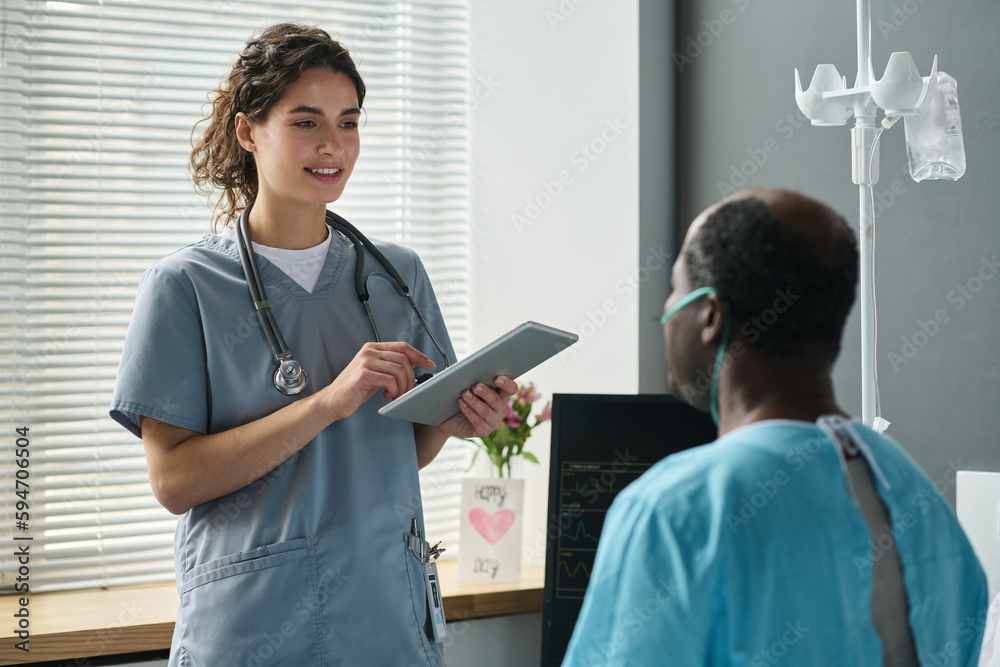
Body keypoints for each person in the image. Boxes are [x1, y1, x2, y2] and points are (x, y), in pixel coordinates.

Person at [110, 24, 515, 666]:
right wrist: (328, 402)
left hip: (386, 615)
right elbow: (174, 481)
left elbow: (392, 453)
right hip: (256, 625)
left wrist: (458, 421)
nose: (334, 145)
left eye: (348, 123)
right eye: (306, 123)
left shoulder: (396, 275)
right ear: (249, 131)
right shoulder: (184, 286)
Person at [562, 188, 988, 666]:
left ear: (710, 316)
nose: (665, 312)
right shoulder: (918, 497)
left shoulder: (674, 511)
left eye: (674, 288)